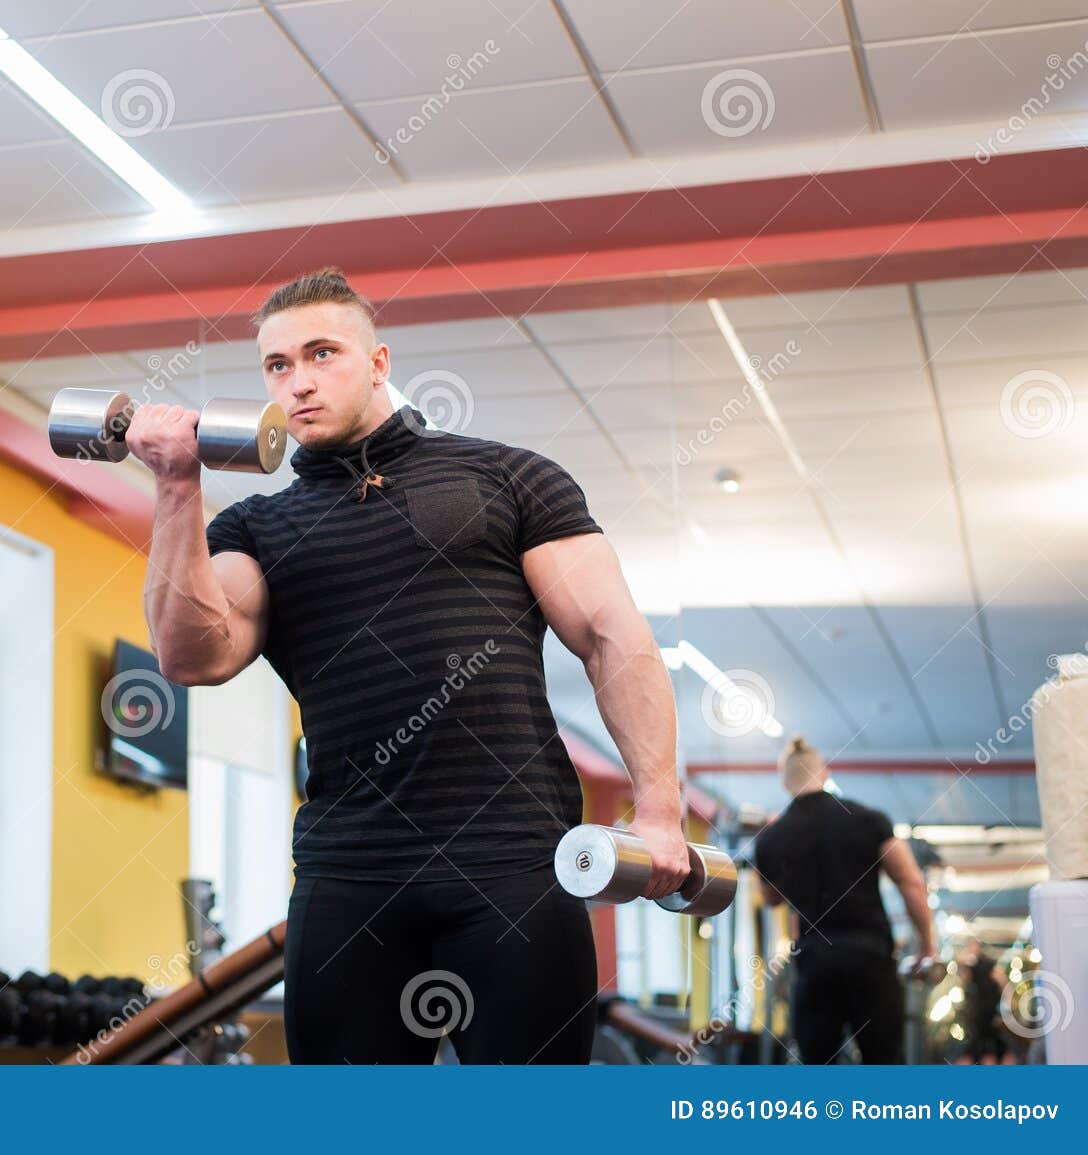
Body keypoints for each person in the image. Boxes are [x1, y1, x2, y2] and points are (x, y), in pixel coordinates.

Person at [130, 267, 690, 1064]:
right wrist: (176, 485)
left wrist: (660, 808)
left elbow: (611, 637)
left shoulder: (506, 478)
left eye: (322, 354)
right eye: (278, 365)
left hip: (513, 867)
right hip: (349, 878)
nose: (299, 382)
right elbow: (192, 654)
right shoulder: (258, 527)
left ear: (380, 360)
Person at [752, 736, 938, 1064]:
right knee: (884, 1066)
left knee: (818, 1067)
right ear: (823, 772)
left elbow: (771, 899)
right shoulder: (869, 819)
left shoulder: (770, 838)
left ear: (784, 782)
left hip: (814, 964)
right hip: (870, 958)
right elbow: (911, 882)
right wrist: (927, 947)